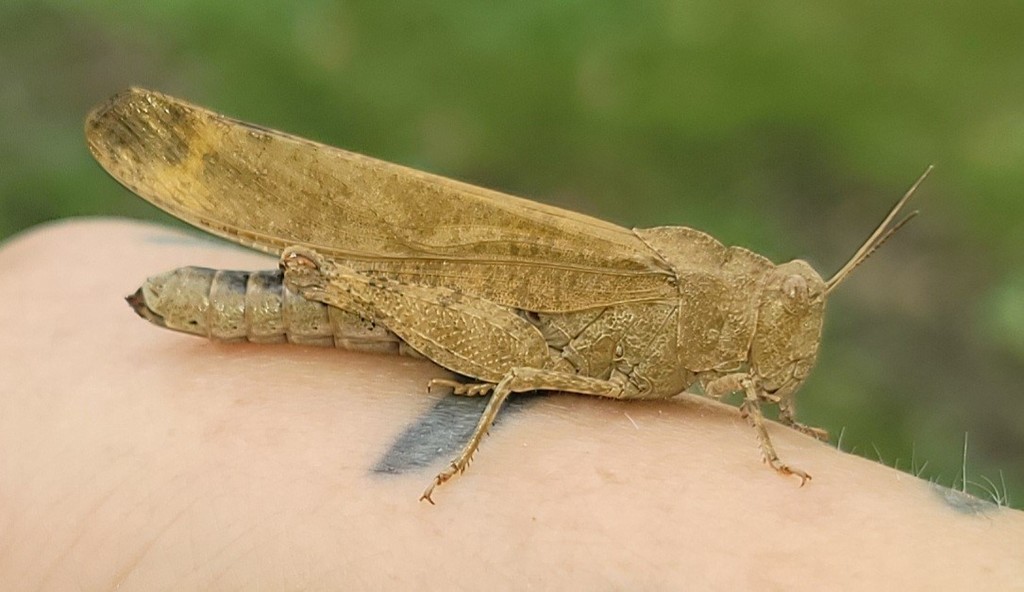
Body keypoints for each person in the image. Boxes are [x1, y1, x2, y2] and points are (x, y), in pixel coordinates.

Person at [2, 219, 1021, 589]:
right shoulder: (681, 306)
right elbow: (529, 356)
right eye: (785, 305)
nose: (796, 325)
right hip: (437, 317)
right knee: (498, 349)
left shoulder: (716, 320)